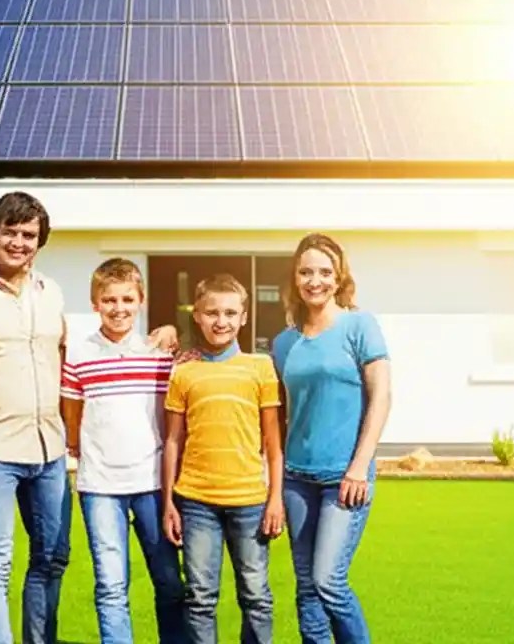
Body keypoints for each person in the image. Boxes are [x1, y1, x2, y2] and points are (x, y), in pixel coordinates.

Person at [0, 191, 178, 644]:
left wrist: (164, 336)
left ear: (39, 243)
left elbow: (74, 357)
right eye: (10, 232)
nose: (19, 242)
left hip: (47, 453)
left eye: (29, 235)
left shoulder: (50, 292)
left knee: (52, 558)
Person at [269, 233, 392, 644]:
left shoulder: (360, 326)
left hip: (344, 478)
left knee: (328, 581)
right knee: (307, 590)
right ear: (295, 278)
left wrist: (359, 466)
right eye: (306, 272)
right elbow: (279, 412)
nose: (315, 280)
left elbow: (381, 396)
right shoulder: (284, 343)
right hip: (297, 479)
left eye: (324, 272)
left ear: (339, 278)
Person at [60, 257, 188, 644]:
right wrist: (82, 448)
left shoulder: (158, 352)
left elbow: (176, 411)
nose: (119, 308)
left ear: (141, 301)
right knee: (111, 586)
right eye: (109, 300)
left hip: (153, 484)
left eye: (127, 299)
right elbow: (71, 416)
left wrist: (174, 332)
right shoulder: (79, 354)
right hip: (100, 487)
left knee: (169, 581)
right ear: (95, 303)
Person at [161, 273, 285, 644]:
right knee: (200, 598)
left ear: (243, 318)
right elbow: (172, 441)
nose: (221, 321)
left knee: (256, 596)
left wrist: (275, 498)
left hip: (249, 502)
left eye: (230, 313)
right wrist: (169, 503)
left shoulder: (260, 368)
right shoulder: (184, 371)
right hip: (196, 502)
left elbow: (273, 442)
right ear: (197, 316)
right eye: (212, 312)